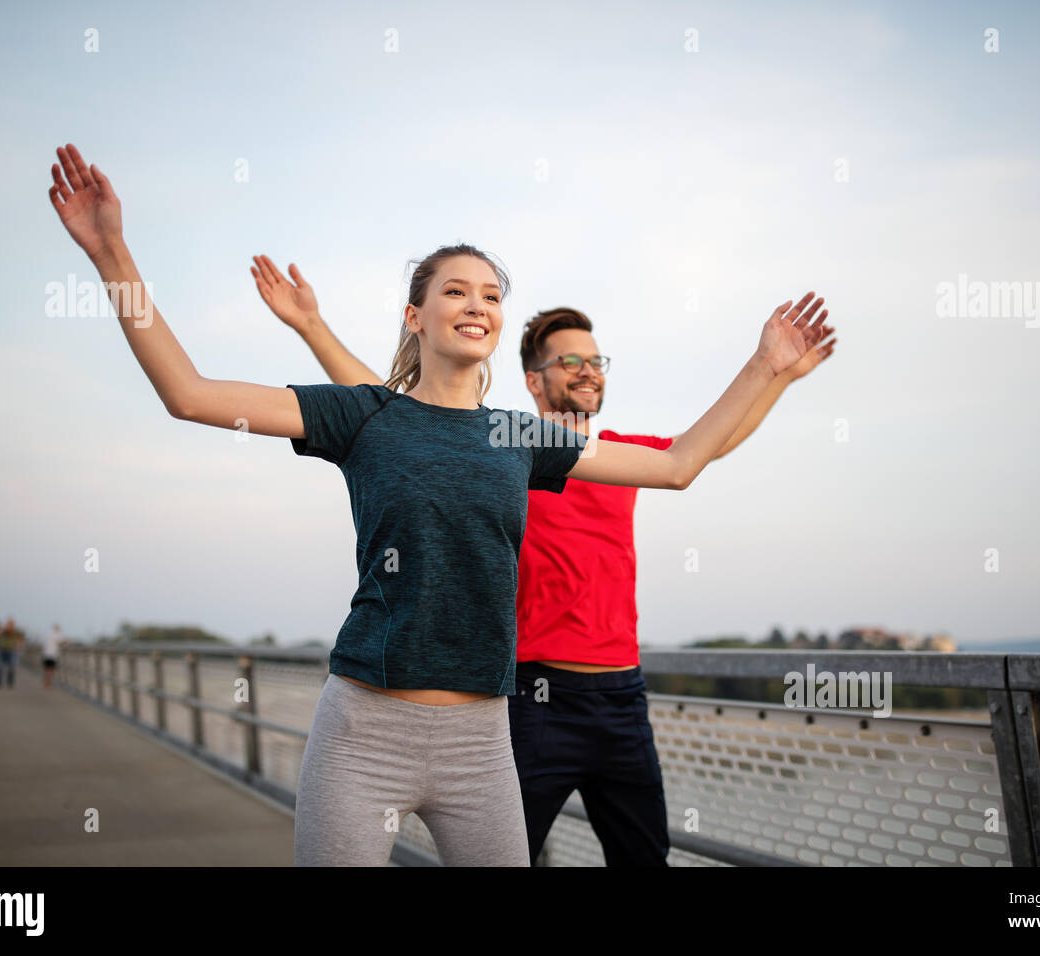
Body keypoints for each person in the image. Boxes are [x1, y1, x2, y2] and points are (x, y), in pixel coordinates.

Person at [48, 142, 823, 866]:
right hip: (363, 732)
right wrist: (110, 253)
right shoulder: (366, 414)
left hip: (482, 741)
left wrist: (767, 367)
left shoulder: (519, 435)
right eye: (455, 289)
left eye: (490, 293)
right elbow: (188, 394)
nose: (477, 303)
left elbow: (681, 463)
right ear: (416, 317)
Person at [248, 261, 835, 866]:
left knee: (642, 856)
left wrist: (777, 376)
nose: (587, 372)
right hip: (535, 691)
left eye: (596, 362)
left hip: (621, 695)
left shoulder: (616, 456)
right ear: (533, 380)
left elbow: (700, 452)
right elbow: (396, 416)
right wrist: (314, 328)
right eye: (569, 362)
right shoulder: (499, 441)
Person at [0, 618, 20, 689]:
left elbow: (10, 632)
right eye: (8, 624)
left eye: (11, 624)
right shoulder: (3, 631)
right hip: (3, 650)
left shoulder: (14, 631)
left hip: (11, 651)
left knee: (11, 668)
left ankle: (10, 682)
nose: (9, 625)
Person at [42, 624, 63, 689]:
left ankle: (46, 683)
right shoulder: (57, 635)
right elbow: (62, 641)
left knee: (46, 669)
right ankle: (48, 684)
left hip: (46, 654)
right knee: (51, 670)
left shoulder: (48, 635)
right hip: (53, 655)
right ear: (57, 629)